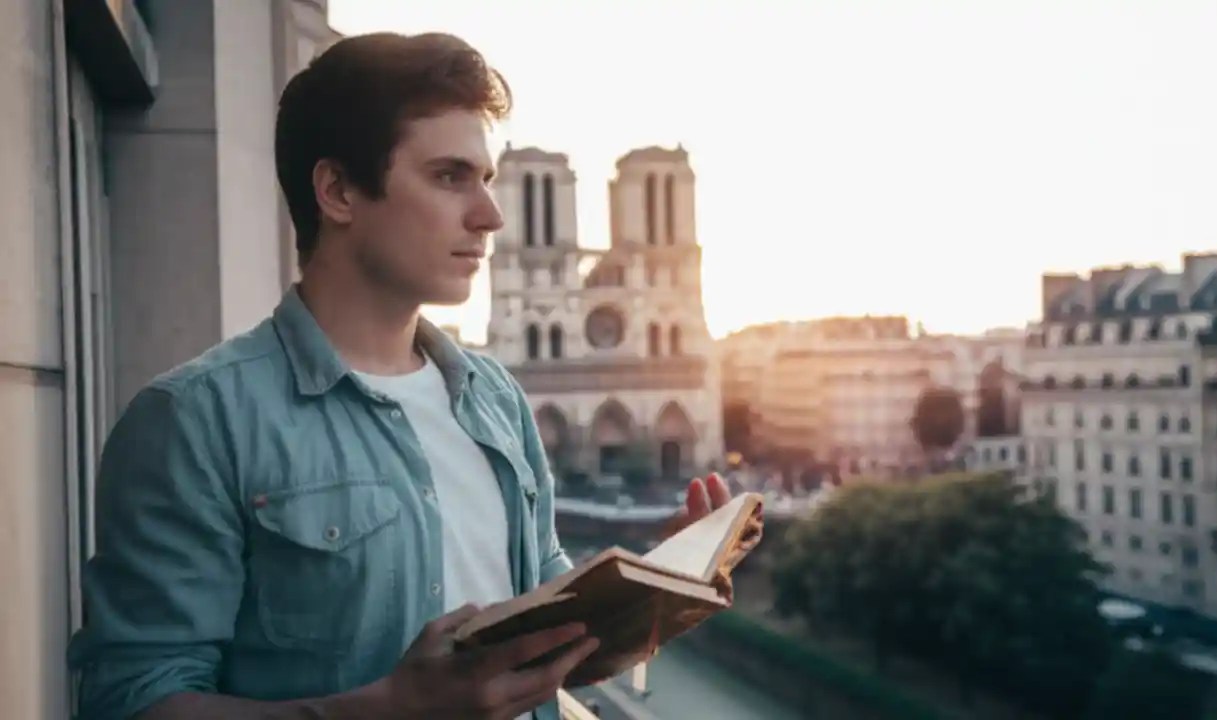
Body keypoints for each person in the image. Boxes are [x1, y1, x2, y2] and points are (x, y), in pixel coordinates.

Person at [67, 31, 733, 720]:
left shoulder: (494, 398)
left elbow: (547, 624)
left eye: (488, 180)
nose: (490, 216)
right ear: (338, 191)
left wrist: (653, 592)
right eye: (449, 177)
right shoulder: (196, 421)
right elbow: (132, 704)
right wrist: (391, 710)